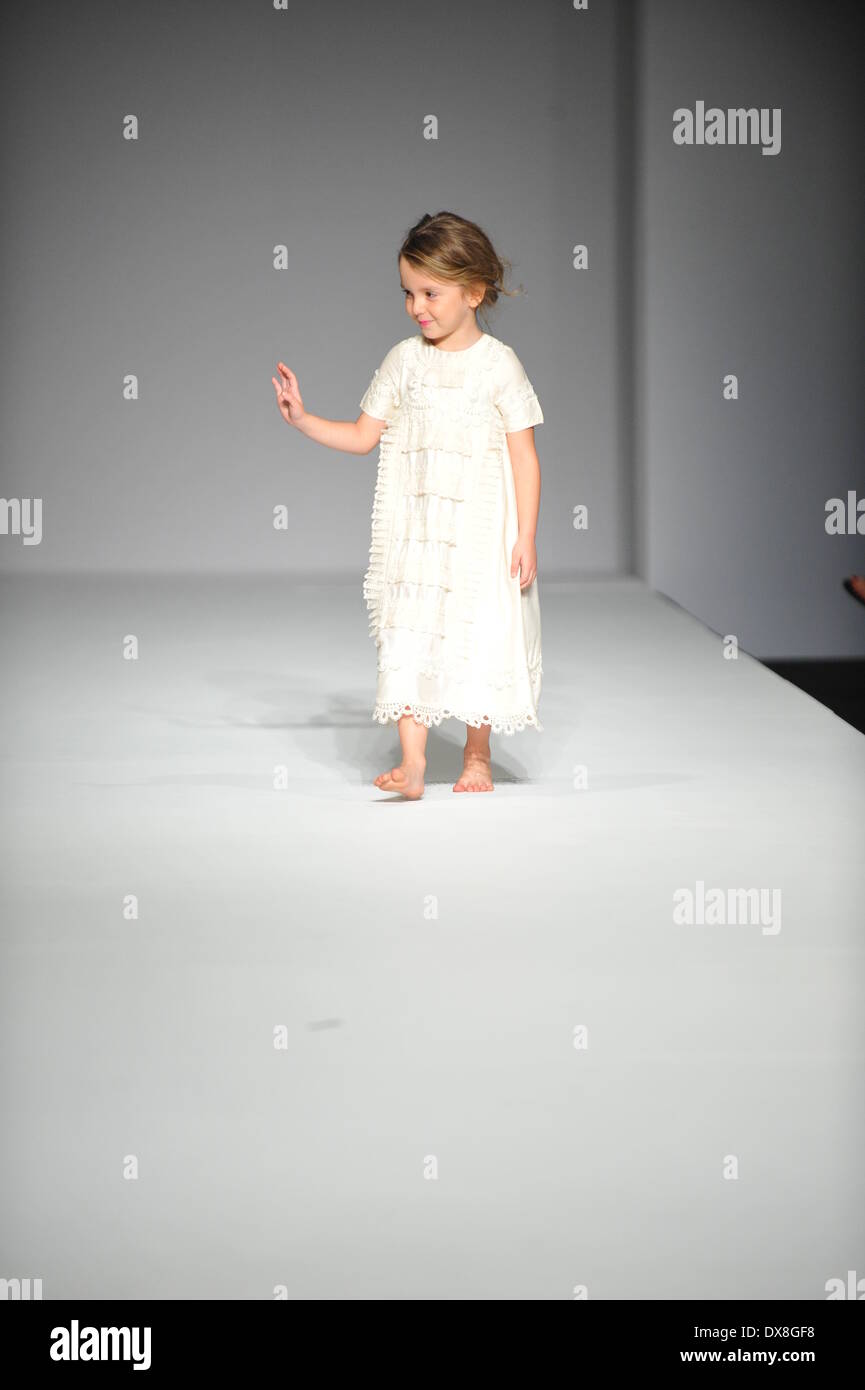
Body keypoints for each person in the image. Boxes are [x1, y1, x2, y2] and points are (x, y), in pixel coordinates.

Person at [272, 211, 544, 799]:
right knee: (408, 632)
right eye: (408, 293)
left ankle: (477, 753)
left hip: (477, 533)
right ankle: (413, 765)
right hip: (416, 531)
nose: (416, 306)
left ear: (474, 292)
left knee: (477, 634)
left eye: (430, 292)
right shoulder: (403, 361)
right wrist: (303, 419)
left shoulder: (499, 366)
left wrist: (525, 535)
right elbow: (363, 436)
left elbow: (524, 457)